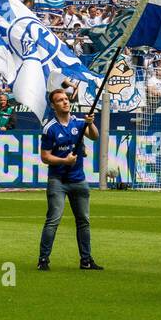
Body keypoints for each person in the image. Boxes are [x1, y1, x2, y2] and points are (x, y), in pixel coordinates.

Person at [38, 88, 101, 271]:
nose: (65, 102)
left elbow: (94, 136)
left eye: (66, 99)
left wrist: (90, 123)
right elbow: (45, 157)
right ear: (53, 105)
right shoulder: (50, 128)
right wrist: (64, 161)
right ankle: (43, 259)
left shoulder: (79, 123)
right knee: (53, 220)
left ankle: (86, 260)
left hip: (79, 180)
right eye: (60, 100)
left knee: (84, 221)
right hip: (58, 180)